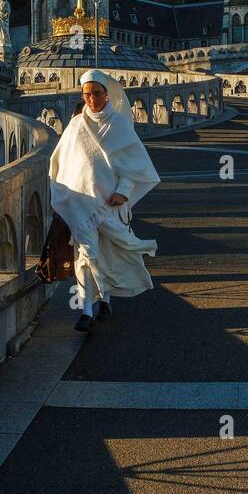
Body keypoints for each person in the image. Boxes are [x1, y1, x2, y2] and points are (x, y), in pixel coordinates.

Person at [48, 70, 160, 333]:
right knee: (86, 254)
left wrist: (123, 191)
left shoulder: (120, 125)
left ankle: (105, 299)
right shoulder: (76, 125)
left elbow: (133, 166)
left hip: (110, 204)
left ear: (106, 93)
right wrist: (65, 194)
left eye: (96, 94)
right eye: (86, 95)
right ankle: (86, 312)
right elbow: (61, 162)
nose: (91, 100)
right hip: (81, 202)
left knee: (109, 252)